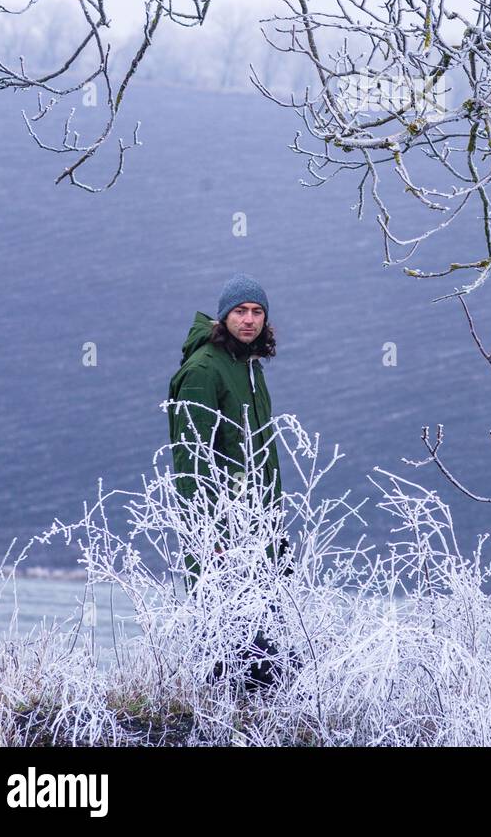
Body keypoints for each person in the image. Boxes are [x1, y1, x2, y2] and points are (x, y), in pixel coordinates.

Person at [167, 273, 294, 690]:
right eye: (240, 311)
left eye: (257, 312)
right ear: (223, 318)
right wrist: (212, 536)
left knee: (267, 656)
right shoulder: (204, 371)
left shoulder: (248, 368)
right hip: (222, 536)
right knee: (229, 656)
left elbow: (257, 461)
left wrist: (273, 531)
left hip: (257, 530)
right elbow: (192, 460)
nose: (249, 320)